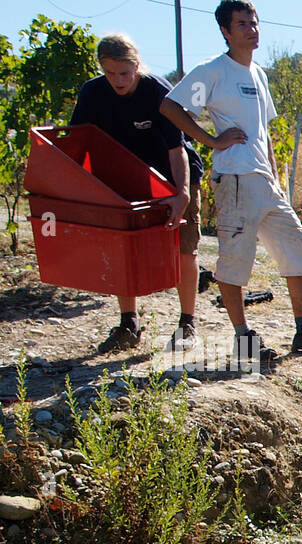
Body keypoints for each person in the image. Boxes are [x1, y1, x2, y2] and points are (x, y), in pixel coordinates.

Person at [160, 1, 302, 369]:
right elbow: (171, 107)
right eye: (242, 24)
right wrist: (212, 140)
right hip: (234, 179)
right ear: (225, 31)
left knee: (300, 251)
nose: (252, 29)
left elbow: (264, 132)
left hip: (265, 182)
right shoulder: (214, 71)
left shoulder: (260, 74)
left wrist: (274, 175)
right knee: (234, 262)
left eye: (254, 22)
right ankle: (243, 340)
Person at [71, 33, 203, 355]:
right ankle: (128, 324)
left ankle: (188, 323)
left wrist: (181, 194)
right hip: (124, 179)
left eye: (125, 73)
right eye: (110, 73)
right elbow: (76, 143)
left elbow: (177, 151)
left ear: (137, 66)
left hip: (174, 177)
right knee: (122, 250)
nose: (118, 80)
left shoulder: (158, 91)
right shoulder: (92, 93)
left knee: (183, 248)